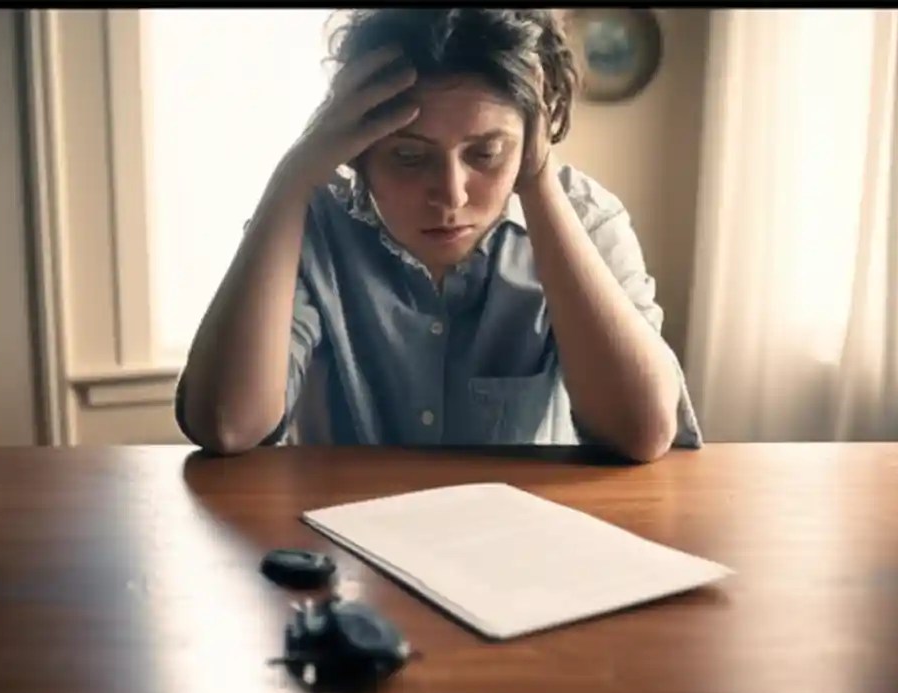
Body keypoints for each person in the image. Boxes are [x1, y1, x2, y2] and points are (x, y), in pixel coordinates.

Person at [175, 8, 701, 461]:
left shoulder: (587, 220)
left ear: (531, 140)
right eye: (409, 156)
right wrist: (291, 177)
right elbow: (226, 424)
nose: (451, 195)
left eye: (486, 154)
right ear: (360, 151)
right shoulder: (313, 224)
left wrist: (538, 185)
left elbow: (644, 431)